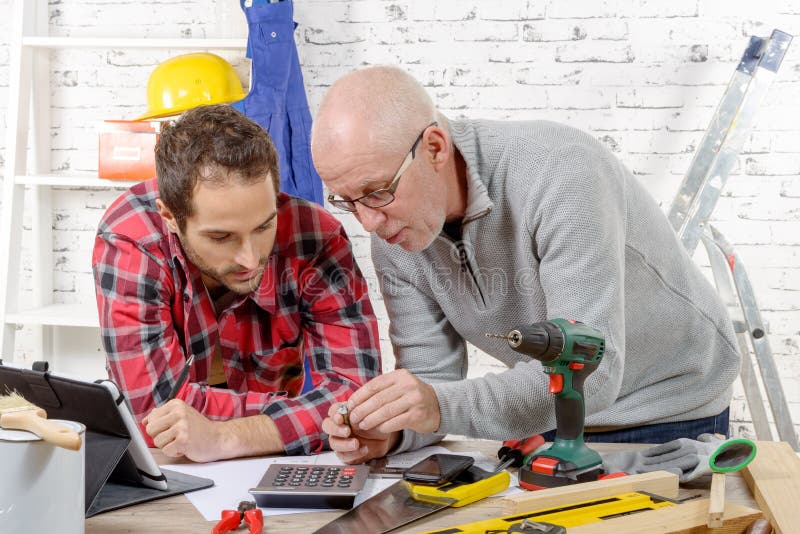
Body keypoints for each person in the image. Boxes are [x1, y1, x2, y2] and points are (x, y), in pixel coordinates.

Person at [311, 66, 741, 464]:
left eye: (376, 191)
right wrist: (395, 429)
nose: (368, 221)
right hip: (553, 418)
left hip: (666, 408)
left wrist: (438, 406)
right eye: (346, 201)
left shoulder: (561, 172)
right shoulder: (396, 230)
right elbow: (431, 379)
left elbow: (589, 370)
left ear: (435, 148)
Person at [92, 105, 380, 462]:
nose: (249, 258)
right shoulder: (131, 239)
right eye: (221, 236)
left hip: (275, 459)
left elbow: (356, 399)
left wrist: (227, 437)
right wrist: (308, 414)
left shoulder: (317, 238)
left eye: (263, 227)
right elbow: (152, 414)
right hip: (175, 467)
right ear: (170, 216)